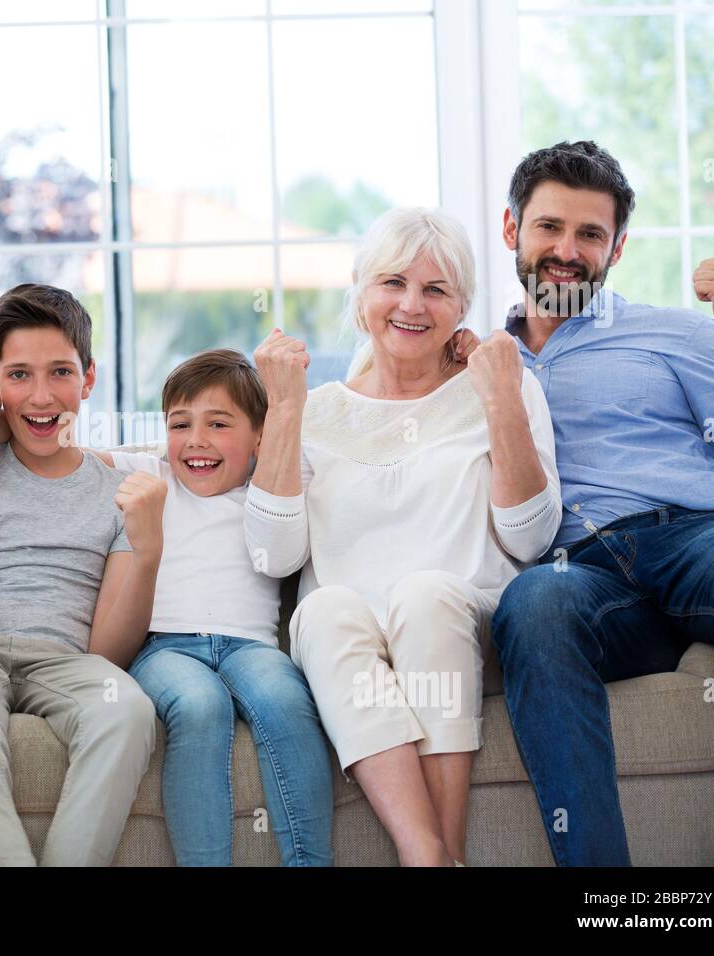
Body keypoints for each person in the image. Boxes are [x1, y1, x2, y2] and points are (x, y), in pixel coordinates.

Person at [248, 207, 561, 866]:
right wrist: (283, 410)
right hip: (347, 638)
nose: (411, 305)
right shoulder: (321, 408)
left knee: (423, 596)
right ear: (361, 295)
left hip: (463, 621)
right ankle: (432, 858)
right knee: (325, 607)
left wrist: (501, 398)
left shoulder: (503, 386)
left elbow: (530, 538)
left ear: (462, 306)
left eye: (435, 289)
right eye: (393, 282)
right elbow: (273, 555)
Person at [490, 140, 714, 867]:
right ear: (512, 229)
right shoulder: (480, 360)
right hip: (581, 571)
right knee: (532, 606)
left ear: (618, 248)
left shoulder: (671, 332)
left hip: (701, 537)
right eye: (550, 227)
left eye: (590, 235)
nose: (567, 251)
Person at [0, 347, 335, 866]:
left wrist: (282, 410)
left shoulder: (275, 482)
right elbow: (63, 451)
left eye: (219, 424)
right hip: (165, 648)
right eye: (180, 424)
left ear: (259, 438)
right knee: (200, 705)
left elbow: (293, 485)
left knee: (286, 699)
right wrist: (2, 430)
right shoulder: (149, 472)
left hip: (249, 646)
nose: (196, 440)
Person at [0, 283, 162, 866]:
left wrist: (147, 552)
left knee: (128, 708)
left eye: (60, 372)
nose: (42, 395)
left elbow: (107, 653)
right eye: (20, 375)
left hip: (69, 662)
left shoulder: (120, 490)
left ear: (89, 378)